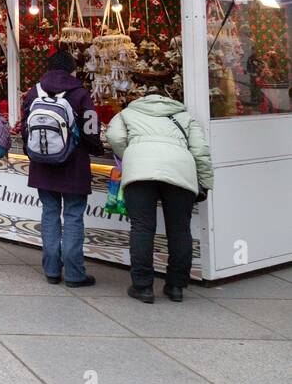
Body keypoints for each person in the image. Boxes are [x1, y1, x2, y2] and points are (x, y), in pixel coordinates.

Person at [106, 89, 214, 303]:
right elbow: (200, 149)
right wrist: (206, 183)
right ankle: (176, 286)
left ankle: (143, 286)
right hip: (180, 172)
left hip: (140, 173)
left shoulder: (128, 113)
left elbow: (114, 137)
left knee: (142, 228)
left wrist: (131, 154)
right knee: (180, 230)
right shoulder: (184, 116)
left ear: (142, 98)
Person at [21, 50, 102, 288]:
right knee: (74, 216)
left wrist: (32, 153)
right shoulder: (80, 93)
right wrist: (94, 148)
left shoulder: (35, 92)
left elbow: (25, 127)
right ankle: (75, 274)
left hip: (42, 165)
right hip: (73, 165)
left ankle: (52, 270)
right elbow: (91, 130)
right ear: (72, 69)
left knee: (49, 214)